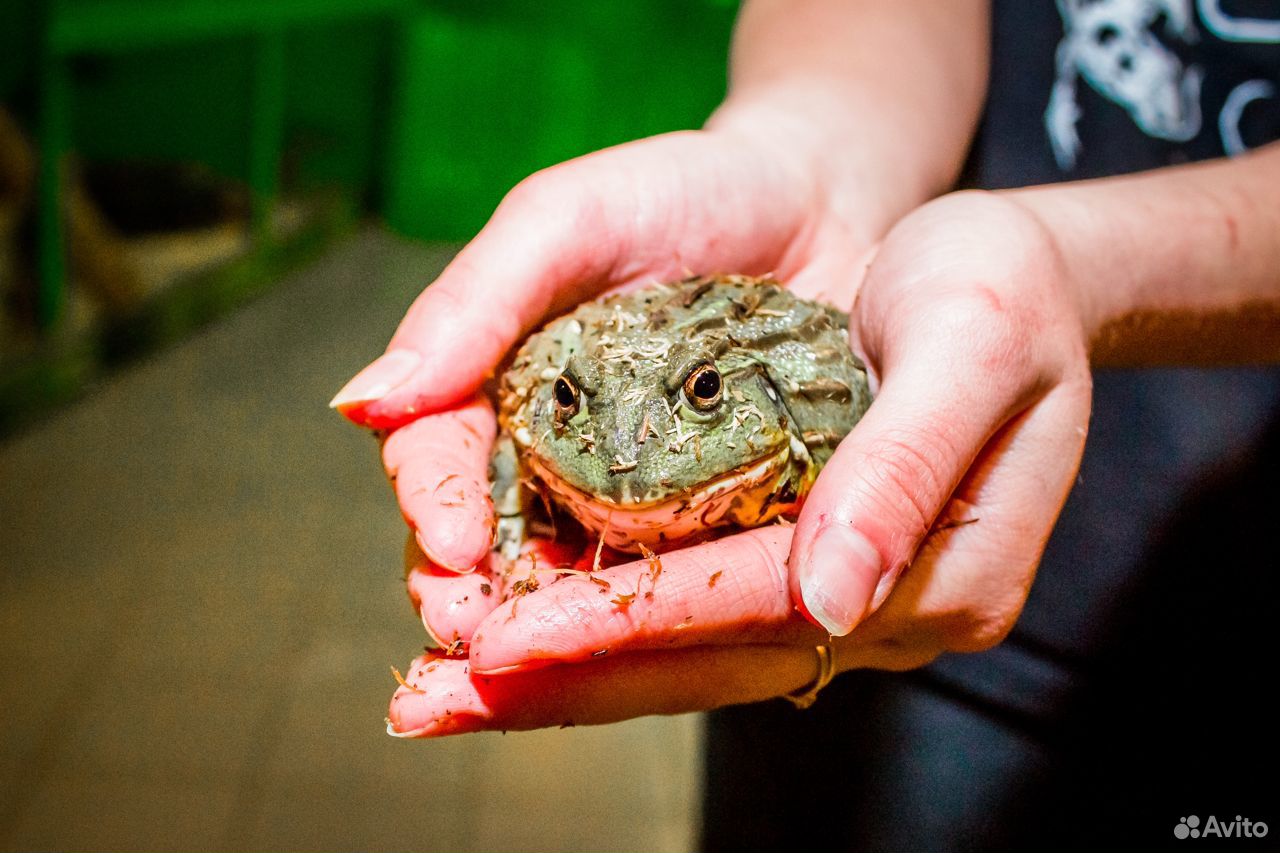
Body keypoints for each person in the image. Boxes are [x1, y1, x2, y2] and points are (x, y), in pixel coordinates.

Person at [333, 1, 1279, 847]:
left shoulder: (805, 378)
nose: (624, 459)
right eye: (576, 409)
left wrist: (1067, 263)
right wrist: (802, 155)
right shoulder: (555, 399)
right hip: (859, 658)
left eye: (704, 394)